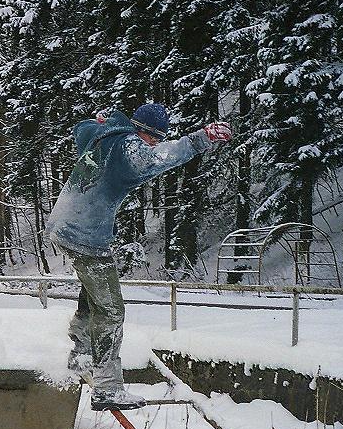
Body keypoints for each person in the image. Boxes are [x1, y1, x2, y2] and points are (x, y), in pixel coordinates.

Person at [47, 104, 231, 411]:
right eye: (154, 139)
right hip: (85, 235)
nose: (154, 145)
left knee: (94, 296)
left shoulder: (104, 134)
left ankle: (82, 355)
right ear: (144, 133)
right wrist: (202, 138)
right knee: (111, 311)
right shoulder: (129, 146)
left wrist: (109, 119)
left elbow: (82, 127)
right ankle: (107, 388)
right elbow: (157, 159)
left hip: (64, 226)